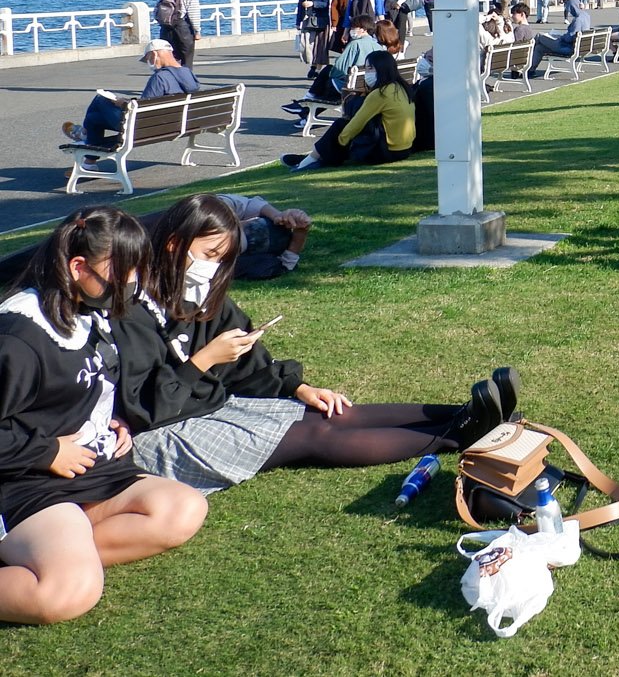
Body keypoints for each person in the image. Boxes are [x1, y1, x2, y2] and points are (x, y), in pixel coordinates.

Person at [111, 195, 512, 497]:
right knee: (311, 437)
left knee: (330, 413)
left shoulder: (204, 291)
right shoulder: (130, 308)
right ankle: (460, 435)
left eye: (223, 258)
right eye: (209, 255)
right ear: (173, 244)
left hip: (211, 405)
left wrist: (299, 388)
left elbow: (249, 365)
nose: (214, 267)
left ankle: (469, 413)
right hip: (162, 433)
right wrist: (203, 361)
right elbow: (143, 407)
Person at [0, 207, 208, 625]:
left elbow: (86, 383)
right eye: (123, 270)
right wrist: (45, 452)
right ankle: (57, 559)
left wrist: (110, 419)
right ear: (78, 267)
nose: (133, 282)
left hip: (89, 470)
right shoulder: (18, 338)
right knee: (64, 595)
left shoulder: (87, 310)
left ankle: (61, 550)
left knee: (182, 508)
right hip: (28, 481)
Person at [284, 51, 413, 170]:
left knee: (341, 125)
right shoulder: (401, 88)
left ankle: (308, 161)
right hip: (404, 149)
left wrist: (339, 141)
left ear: (382, 69)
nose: (367, 73)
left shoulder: (380, 93)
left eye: (370, 69)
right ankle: (315, 156)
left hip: (387, 152)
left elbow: (357, 122)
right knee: (346, 129)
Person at [61, 40, 200, 148]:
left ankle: (83, 134)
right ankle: (88, 162)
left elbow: (143, 109)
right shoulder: (188, 74)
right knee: (93, 119)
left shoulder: (160, 78)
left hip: (143, 128)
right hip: (175, 124)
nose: (149, 63)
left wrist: (124, 103)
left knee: (100, 99)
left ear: (155, 54)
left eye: (148, 59)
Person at [139, 195, 310, 281]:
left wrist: (282, 220)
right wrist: (280, 217)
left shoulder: (230, 262)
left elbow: (240, 203)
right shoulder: (214, 215)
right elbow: (285, 266)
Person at [529, 0, 592, 77]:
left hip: (567, 48)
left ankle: (526, 62)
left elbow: (569, 38)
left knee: (539, 36)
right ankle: (531, 70)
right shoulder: (586, 16)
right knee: (539, 48)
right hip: (579, 47)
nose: (569, 12)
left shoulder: (578, 20)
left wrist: (561, 37)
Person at [154, 0, 200, 70]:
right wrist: (197, 31)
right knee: (186, 57)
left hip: (165, 27)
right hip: (182, 28)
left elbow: (156, 9)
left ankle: (170, 79)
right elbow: (194, 15)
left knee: (169, 56)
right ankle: (186, 81)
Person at [296, 0, 334, 76]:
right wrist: (298, 21)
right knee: (307, 44)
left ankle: (316, 69)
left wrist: (313, 4)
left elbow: (325, 4)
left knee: (321, 46)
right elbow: (300, 6)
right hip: (307, 19)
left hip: (321, 20)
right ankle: (311, 64)